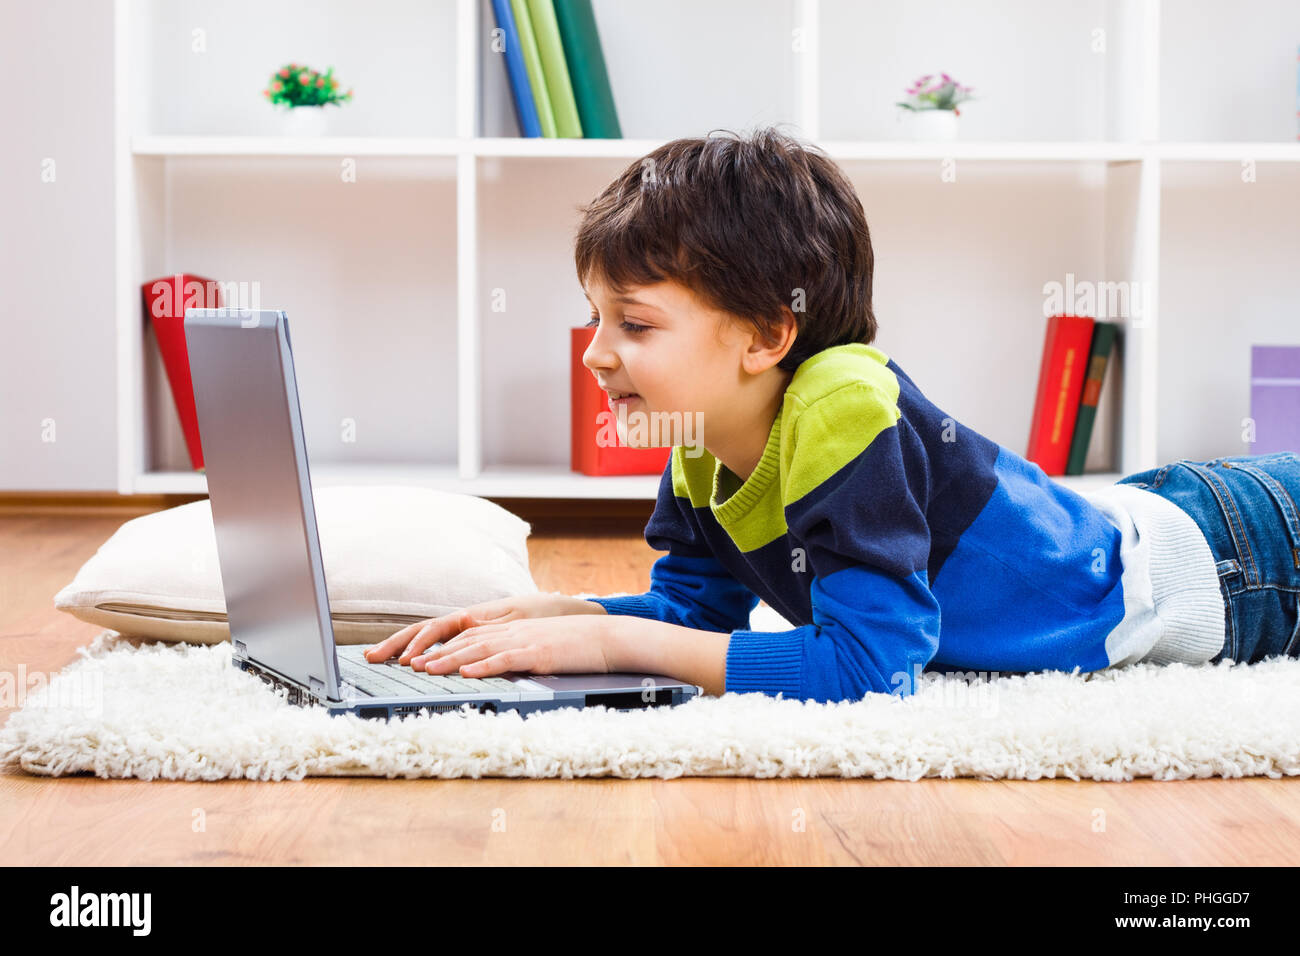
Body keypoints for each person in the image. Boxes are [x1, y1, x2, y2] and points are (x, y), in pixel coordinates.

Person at [365, 127, 1300, 703]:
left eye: (635, 323)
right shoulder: (699, 437)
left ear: (769, 335)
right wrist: (560, 614)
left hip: (1244, 562)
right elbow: (690, 616)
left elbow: (869, 667)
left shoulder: (844, 404)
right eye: (595, 318)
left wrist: (611, 640)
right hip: (1157, 513)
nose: (596, 353)